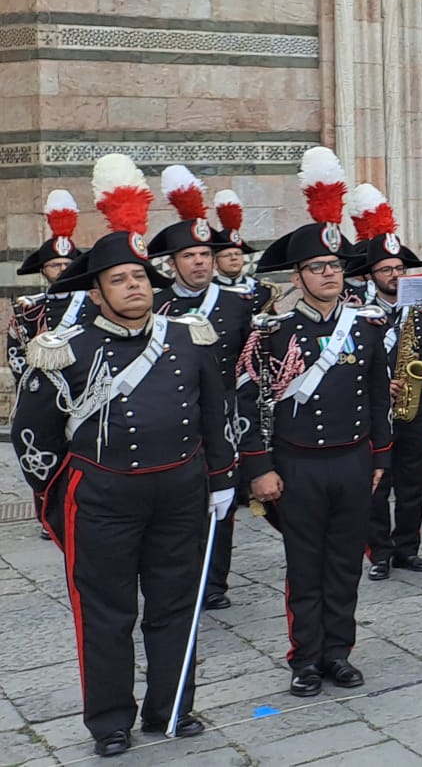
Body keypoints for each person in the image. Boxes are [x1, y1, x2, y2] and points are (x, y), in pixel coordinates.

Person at [11, 156, 235, 756]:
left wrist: (221, 479)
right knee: (105, 614)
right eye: (119, 279)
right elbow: (32, 436)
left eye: (140, 276)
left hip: (180, 493)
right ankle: (110, 721)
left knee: (175, 606)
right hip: (103, 498)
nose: (134, 286)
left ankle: (172, 708)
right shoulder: (64, 349)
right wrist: (58, 500)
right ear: (97, 291)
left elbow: (215, 414)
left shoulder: (188, 337)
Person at [235, 148, 391, 698]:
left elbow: (379, 396)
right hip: (296, 465)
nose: (329, 274)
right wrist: (259, 467)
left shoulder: (366, 326)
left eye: (335, 266)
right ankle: (304, 658)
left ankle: (338, 653)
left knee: (346, 563)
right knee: (305, 566)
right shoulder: (270, 332)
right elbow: (247, 404)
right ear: (298, 276)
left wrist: (380, 457)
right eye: (318, 267)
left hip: (352, 461)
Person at [148, 166, 258, 612]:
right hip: (172, 416)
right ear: (172, 263)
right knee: (174, 505)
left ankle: (214, 582)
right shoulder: (157, 306)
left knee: (221, 498)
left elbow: (251, 364)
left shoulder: (238, 303)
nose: (200, 262)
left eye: (205, 255)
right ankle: (178, 577)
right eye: (190, 255)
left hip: (224, 417)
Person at [343, 187, 422, 581]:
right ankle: (379, 553)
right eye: (386, 269)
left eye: (399, 268)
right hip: (374, 413)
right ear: (371, 274)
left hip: (415, 411)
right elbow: (348, 366)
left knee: (412, 485)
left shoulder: (419, 312)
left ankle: (407, 549)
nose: (394, 275)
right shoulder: (356, 315)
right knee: (376, 485)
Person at [8, 189, 91, 519]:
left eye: (68, 264)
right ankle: (48, 513)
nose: (62, 269)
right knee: (44, 451)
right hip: (44, 394)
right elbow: (17, 354)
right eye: (55, 264)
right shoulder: (30, 310)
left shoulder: (93, 304)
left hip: (85, 392)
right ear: (44, 270)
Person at [211, 189, 272, 313]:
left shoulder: (261, 289)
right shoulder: (207, 289)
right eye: (227, 255)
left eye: (238, 254)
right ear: (215, 262)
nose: (234, 258)